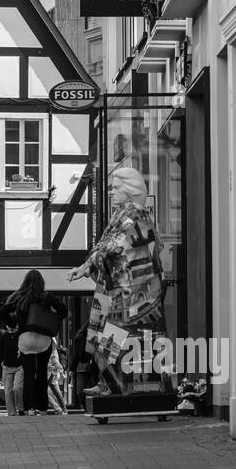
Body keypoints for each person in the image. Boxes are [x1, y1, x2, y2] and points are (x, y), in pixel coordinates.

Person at [68, 166, 164, 397]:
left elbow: (114, 244)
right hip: (130, 287)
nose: (112, 192)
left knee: (112, 334)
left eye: (116, 187)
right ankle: (113, 382)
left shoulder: (132, 214)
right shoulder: (134, 213)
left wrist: (86, 266)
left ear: (130, 190)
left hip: (129, 289)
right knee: (119, 336)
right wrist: (88, 264)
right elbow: (113, 244)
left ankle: (114, 384)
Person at [7, 270, 66, 415]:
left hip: (25, 339)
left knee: (28, 375)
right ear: (42, 282)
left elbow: (3, 311)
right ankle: (43, 408)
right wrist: (52, 320)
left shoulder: (19, 297)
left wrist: (13, 323)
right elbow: (63, 310)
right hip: (43, 339)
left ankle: (30, 408)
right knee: (41, 375)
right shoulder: (46, 297)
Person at [0, 297, 25, 416]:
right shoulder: (4, 336)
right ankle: (11, 413)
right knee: (8, 391)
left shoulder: (20, 334)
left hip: (19, 366)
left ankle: (21, 407)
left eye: (10, 325)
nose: (8, 327)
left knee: (17, 388)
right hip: (7, 366)